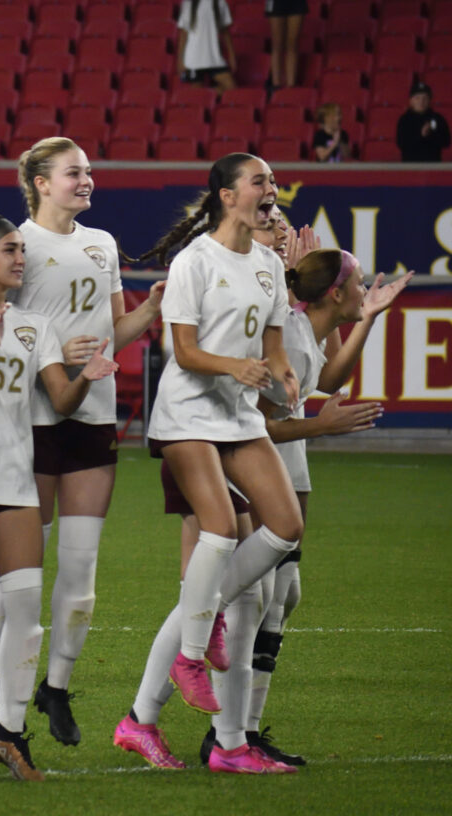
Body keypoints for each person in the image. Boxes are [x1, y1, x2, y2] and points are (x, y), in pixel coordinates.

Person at [0, 163, 117, 783]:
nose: (22, 259)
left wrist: (86, 377)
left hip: (16, 479)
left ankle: (9, 733)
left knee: (27, 611)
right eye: (10, 250)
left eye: (21, 250)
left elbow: (58, 401)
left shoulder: (36, 325)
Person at [114, 153, 305, 775]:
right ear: (227, 195)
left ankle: (203, 612)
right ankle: (189, 653)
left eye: (272, 181)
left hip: (238, 416)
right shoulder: (195, 261)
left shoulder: (270, 265)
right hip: (188, 414)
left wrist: (284, 374)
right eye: (259, 181)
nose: (271, 190)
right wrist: (236, 367)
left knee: (286, 526)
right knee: (219, 531)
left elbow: (273, 346)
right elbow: (186, 352)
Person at [0, 137, 164, 748]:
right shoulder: (18, 245)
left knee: (81, 568)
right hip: (29, 416)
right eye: (73, 172)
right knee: (23, 562)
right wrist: (54, 355)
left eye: (88, 171)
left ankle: (55, 687)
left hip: (92, 414)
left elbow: (112, 330)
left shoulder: (101, 243)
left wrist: (150, 311)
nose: (86, 181)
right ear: (39, 183)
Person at [198, 250, 414, 768]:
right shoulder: (290, 336)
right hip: (263, 473)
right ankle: (225, 728)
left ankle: (243, 730)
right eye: (358, 283)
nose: (364, 288)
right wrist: (321, 425)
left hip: (288, 469)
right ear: (334, 293)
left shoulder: (303, 333)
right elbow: (256, 425)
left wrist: (368, 319)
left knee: (280, 596)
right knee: (251, 600)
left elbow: (330, 377)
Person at [177, 0, 237, 95]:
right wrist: (180, 59)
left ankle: (206, 95)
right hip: (193, 60)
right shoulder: (188, 3)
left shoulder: (220, 3)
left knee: (231, 89)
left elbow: (225, 31)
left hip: (214, 58)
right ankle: (204, 96)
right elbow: (184, 34)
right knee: (196, 95)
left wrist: (232, 56)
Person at [396, 80, 450, 163]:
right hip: (410, 165)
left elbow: (446, 142)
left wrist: (430, 135)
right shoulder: (404, 120)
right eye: (417, 98)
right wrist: (420, 135)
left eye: (425, 98)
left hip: (433, 165)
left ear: (430, 100)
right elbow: (401, 143)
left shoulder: (437, 118)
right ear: (411, 101)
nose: (421, 101)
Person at [266, 0, 307, 89]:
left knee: (292, 44)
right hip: (275, 3)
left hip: (296, 2)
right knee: (277, 45)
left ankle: (291, 86)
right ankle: (276, 86)